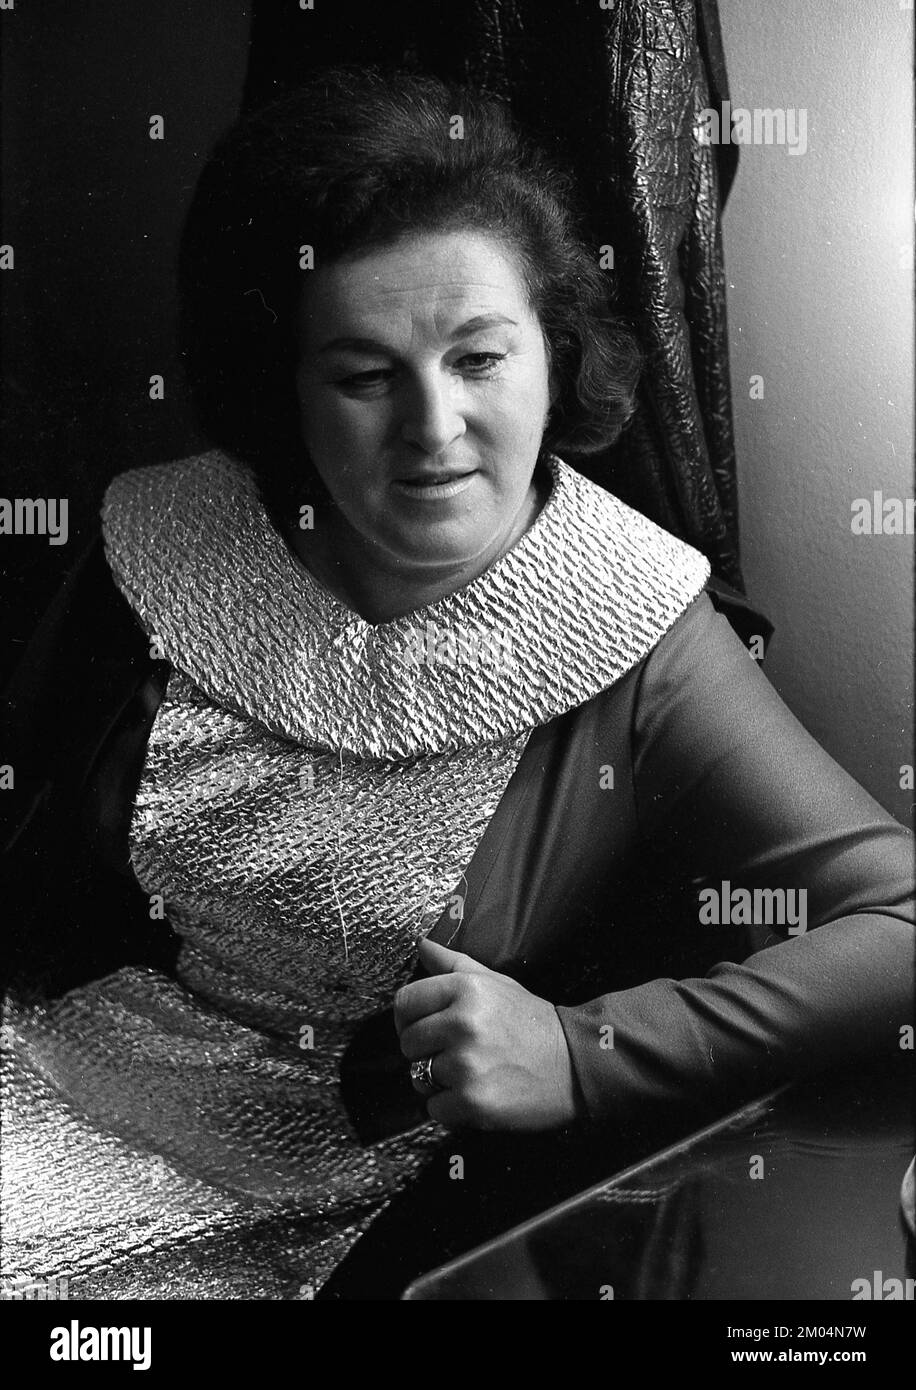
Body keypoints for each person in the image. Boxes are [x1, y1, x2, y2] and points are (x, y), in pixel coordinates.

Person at [1, 67, 912, 1302]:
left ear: (555, 352)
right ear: (286, 385)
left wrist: (585, 1053)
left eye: (479, 357)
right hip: (49, 1095)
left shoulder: (634, 618)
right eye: (366, 376)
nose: (434, 428)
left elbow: (900, 920)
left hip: (328, 1209)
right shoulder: (163, 543)